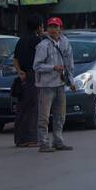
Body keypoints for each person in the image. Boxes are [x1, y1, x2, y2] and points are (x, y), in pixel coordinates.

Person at [33, 16, 75, 154]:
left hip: (60, 84)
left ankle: (58, 140)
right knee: (44, 116)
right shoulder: (43, 45)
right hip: (46, 85)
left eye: (55, 27)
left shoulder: (65, 42)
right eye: (50, 26)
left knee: (60, 115)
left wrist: (71, 81)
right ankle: (44, 143)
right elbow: (37, 66)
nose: (53, 29)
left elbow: (69, 64)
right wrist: (52, 67)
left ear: (60, 29)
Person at [12, 14, 44, 147]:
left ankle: (19, 138)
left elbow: (15, 59)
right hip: (33, 75)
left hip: (23, 76)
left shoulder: (21, 40)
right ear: (38, 27)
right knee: (32, 107)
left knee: (22, 108)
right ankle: (29, 138)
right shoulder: (37, 41)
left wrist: (19, 71)